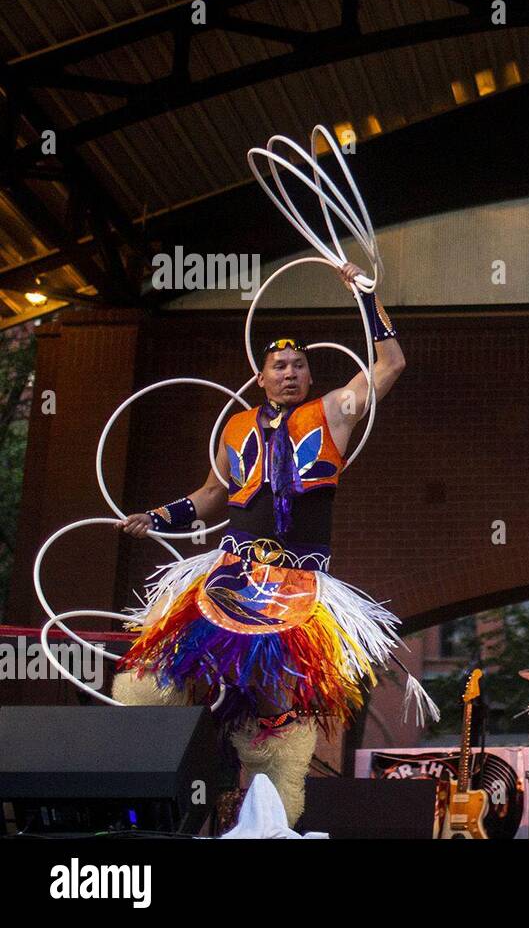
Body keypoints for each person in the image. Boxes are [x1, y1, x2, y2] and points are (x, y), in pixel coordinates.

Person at [111, 262, 433, 826]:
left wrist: (367, 296)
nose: (290, 372)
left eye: (299, 365)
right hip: (231, 574)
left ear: (311, 376)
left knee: (275, 710)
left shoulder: (334, 412)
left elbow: (392, 363)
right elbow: (212, 493)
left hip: (297, 585)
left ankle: (270, 822)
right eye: (279, 365)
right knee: (157, 672)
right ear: (261, 376)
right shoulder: (235, 427)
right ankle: (141, 798)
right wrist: (158, 516)